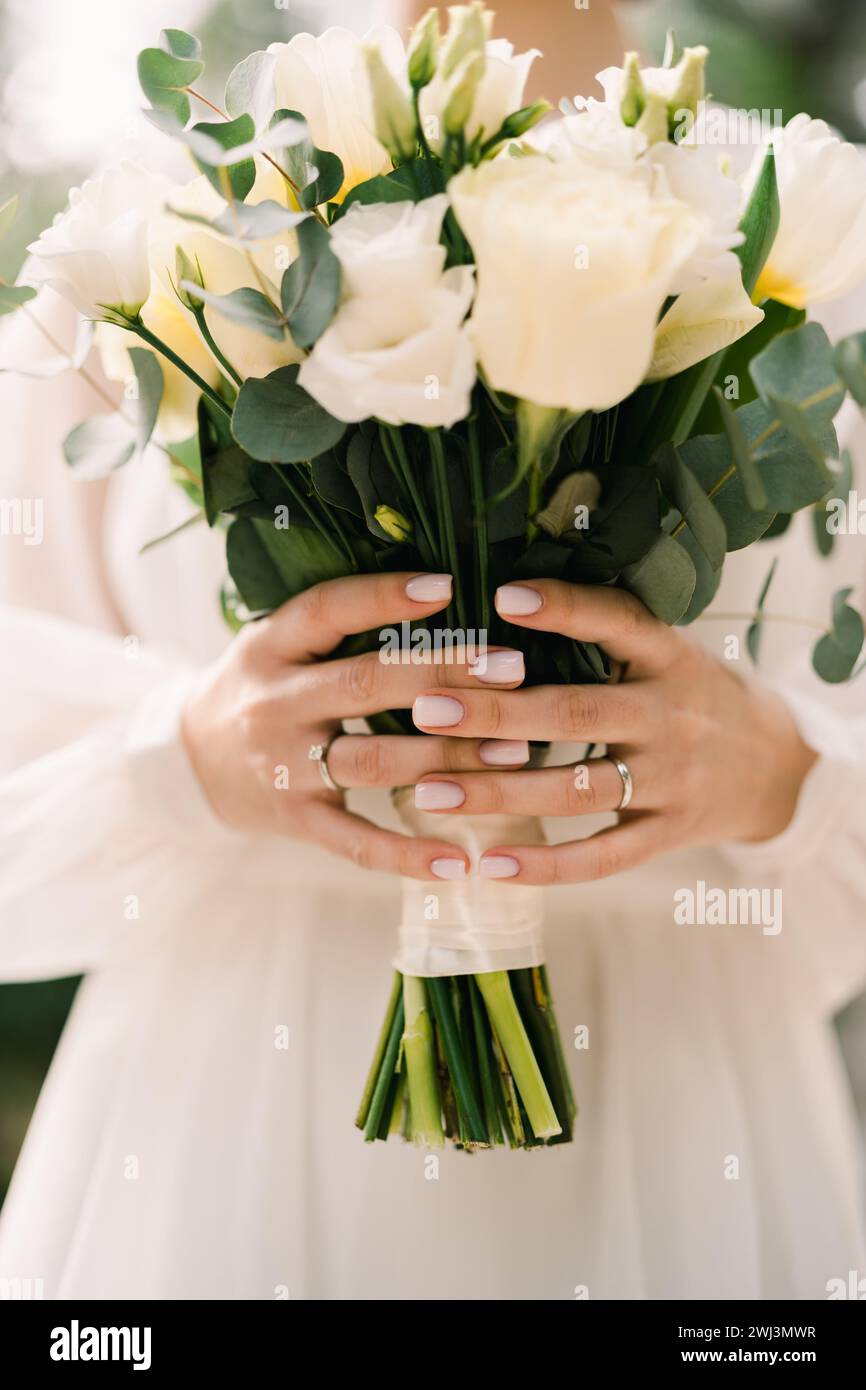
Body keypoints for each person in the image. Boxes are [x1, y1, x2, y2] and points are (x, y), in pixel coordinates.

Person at [1, 0, 865, 1300]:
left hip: (679, 1109)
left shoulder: (819, 246)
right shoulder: (156, 236)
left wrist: (783, 776)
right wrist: (178, 757)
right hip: (222, 1122)